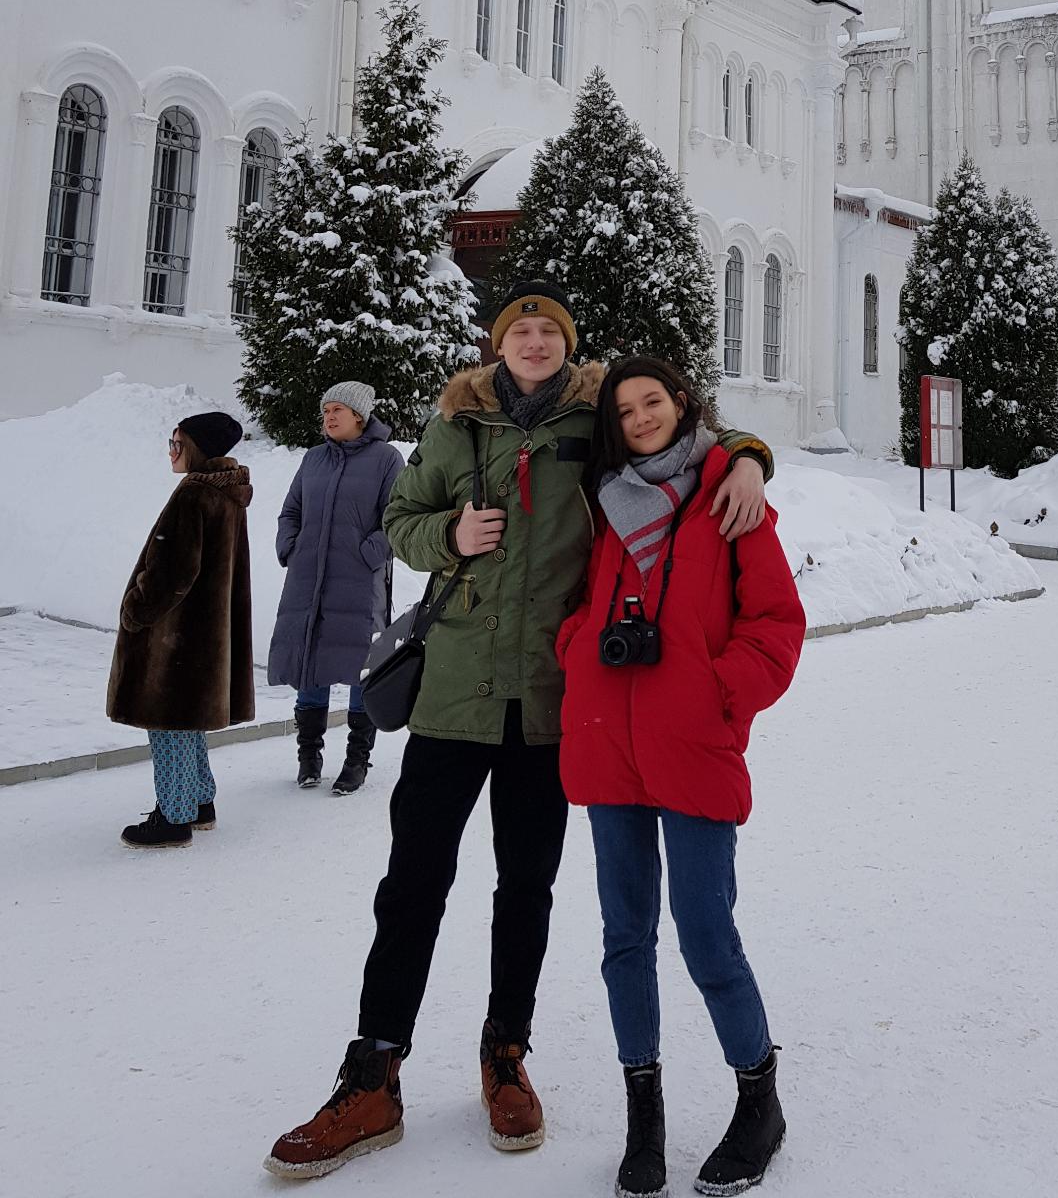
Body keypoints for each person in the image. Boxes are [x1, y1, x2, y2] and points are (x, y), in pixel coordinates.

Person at [265, 283, 773, 1180]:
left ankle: (507, 1053)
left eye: (550, 331)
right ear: (498, 345)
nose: (534, 341)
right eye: (519, 330)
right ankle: (373, 1071)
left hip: (548, 703)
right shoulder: (453, 424)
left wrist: (749, 457)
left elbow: (680, 433)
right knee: (412, 884)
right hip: (455, 694)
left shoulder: (596, 419)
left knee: (525, 889)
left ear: (568, 348)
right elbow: (396, 523)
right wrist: (449, 537)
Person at [557, 355, 805, 1198]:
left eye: (652, 402)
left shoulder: (731, 496)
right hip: (607, 748)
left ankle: (758, 1099)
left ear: (682, 403)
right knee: (624, 940)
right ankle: (644, 1114)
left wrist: (718, 694)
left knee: (707, 936)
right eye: (624, 410)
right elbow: (576, 611)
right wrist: (580, 657)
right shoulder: (601, 505)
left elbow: (776, 622)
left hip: (693, 746)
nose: (640, 418)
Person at [105, 411, 253, 848]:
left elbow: (173, 570)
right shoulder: (227, 493)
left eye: (177, 442)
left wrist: (136, 610)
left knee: (167, 721)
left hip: (177, 633)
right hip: (206, 630)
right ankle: (199, 801)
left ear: (197, 447)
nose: (172, 450)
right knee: (187, 721)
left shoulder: (193, 495)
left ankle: (173, 817)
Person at [269, 381, 405, 795]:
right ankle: (308, 756)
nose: (329, 417)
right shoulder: (313, 459)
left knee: (361, 669)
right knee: (311, 664)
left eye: (338, 410)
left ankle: (356, 760)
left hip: (359, 585)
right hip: (308, 580)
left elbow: (397, 517)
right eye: (326, 410)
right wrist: (289, 547)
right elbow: (291, 510)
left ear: (360, 417)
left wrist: (368, 554)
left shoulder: (386, 459)